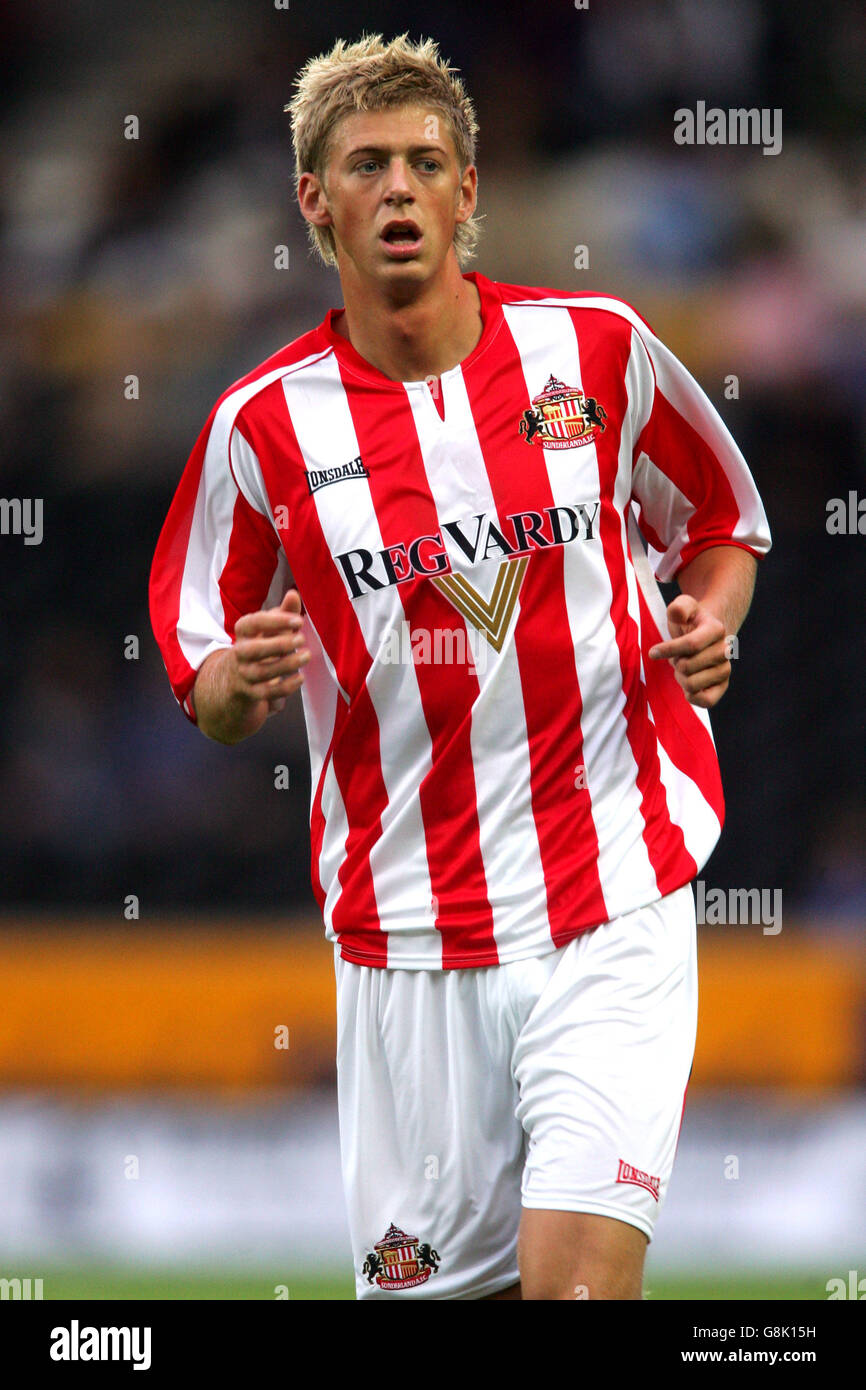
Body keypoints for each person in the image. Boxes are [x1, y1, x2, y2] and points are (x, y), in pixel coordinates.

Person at [149, 33, 771, 1300]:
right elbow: (197, 645)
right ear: (312, 201)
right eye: (364, 165)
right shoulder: (261, 429)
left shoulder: (593, 354)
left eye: (424, 163)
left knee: (578, 1289)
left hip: (613, 895)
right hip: (405, 943)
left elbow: (717, 525)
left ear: (468, 192)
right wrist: (226, 691)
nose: (397, 189)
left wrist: (708, 620)